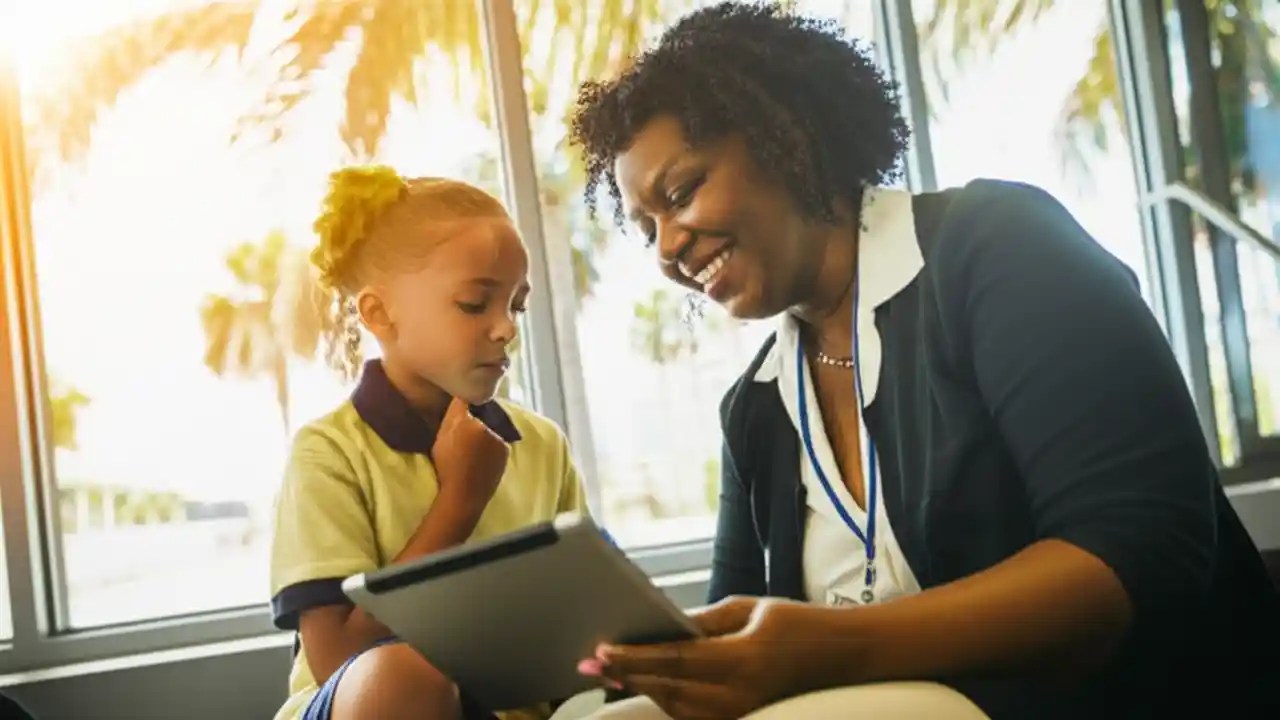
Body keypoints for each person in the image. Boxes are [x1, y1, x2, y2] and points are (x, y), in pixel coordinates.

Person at [566, 3, 1280, 719]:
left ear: (788, 140)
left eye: (682, 192)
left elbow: (1138, 551)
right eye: (645, 227)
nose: (665, 248)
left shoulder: (998, 249)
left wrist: (837, 646)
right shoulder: (756, 407)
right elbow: (743, 629)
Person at [268, 166, 588, 720]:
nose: (507, 328)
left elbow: (577, 632)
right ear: (378, 313)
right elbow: (339, 658)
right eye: (474, 303)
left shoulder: (542, 445)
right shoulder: (329, 454)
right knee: (403, 676)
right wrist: (461, 499)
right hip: (372, 704)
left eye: (516, 305)